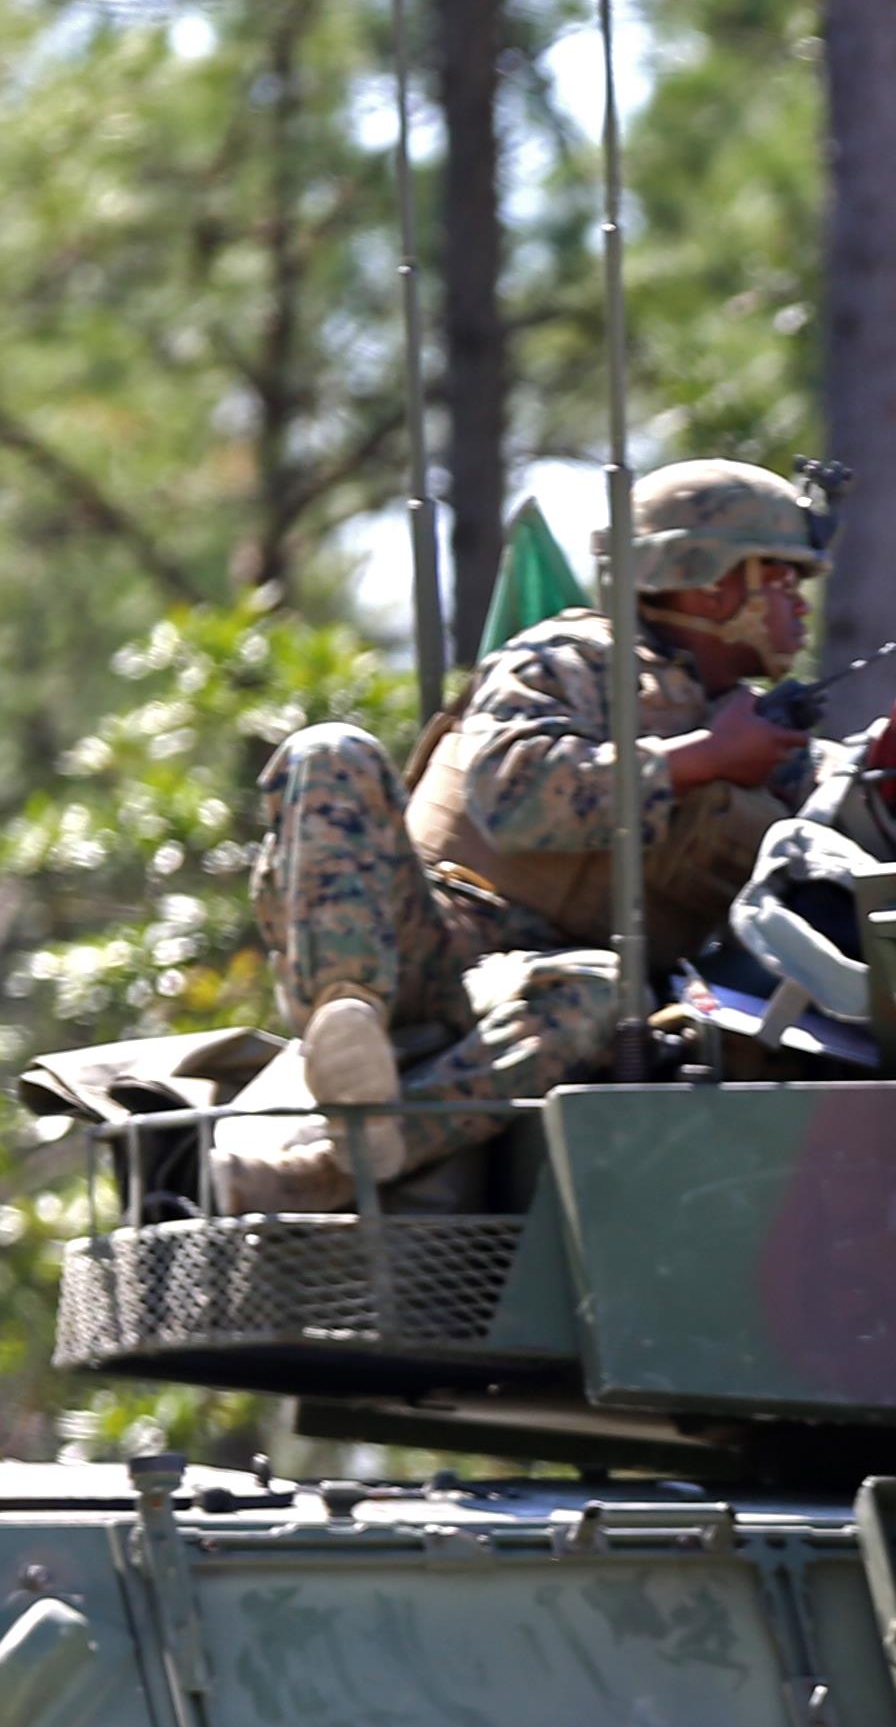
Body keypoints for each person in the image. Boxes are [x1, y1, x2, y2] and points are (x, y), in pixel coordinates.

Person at [219, 457, 834, 1208]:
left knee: (608, 992)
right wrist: (700, 760)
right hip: (432, 935)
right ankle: (351, 1021)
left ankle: (348, 1163)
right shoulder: (567, 663)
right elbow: (514, 796)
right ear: (712, 581)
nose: (800, 605)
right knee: (328, 752)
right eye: (781, 579)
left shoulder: (777, 753)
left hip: (539, 981)